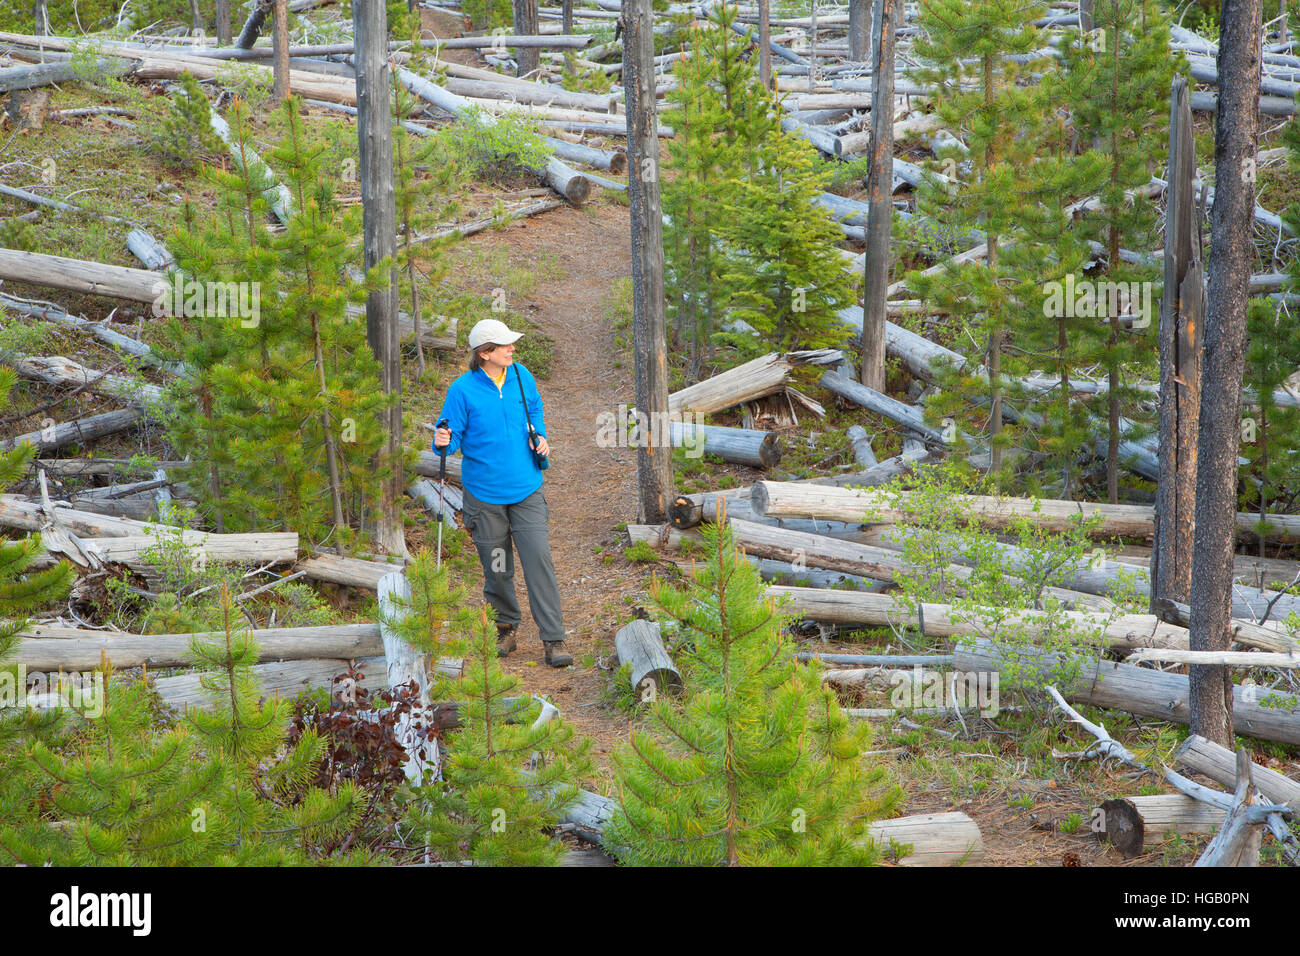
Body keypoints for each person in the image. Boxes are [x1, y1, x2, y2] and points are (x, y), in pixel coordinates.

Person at [432, 318, 572, 667]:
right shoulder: (462, 390)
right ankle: (506, 627)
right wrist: (442, 441)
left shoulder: (522, 375)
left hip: (526, 490)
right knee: (498, 566)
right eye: (505, 345)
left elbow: (534, 409)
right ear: (485, 353)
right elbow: (452, 438)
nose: (513, 348)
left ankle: (553, 639)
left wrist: (538, 434)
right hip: (484, 496)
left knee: (538, 560)